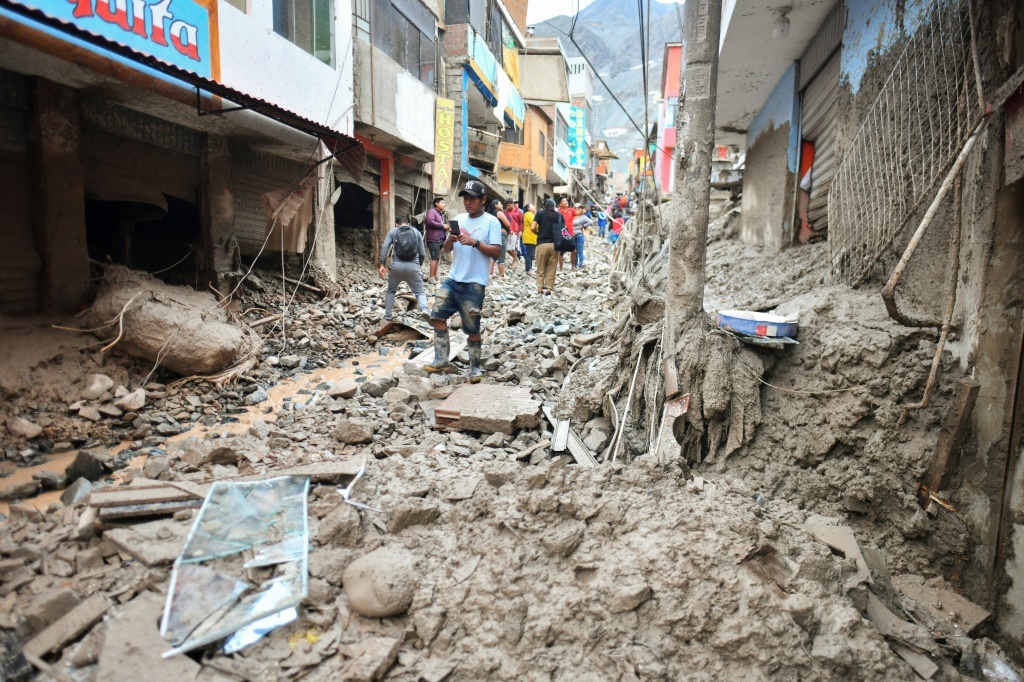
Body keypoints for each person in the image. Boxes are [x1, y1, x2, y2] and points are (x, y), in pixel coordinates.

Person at [425, 180, 503, 382]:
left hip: (474, 283)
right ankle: (441, 360)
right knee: (437, 316)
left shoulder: (491, 222)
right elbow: (446, 249)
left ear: (483, 200)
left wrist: (474, 242)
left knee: (472, 328)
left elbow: (496, 251)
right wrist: (450, 239)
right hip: (453, 279)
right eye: (465, 199)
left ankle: (475, 368)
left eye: (472, 199)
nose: (468, 202)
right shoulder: (459, 219)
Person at [378, 216, 429, 321]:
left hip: (396, 267)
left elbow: (385, 247)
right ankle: (425, 310)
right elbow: (422, 253)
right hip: (413, 266)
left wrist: (382, 264)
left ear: (396, 224)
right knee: (420, 292)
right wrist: (418, 266)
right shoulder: (416, 232)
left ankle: (388, 316)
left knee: (391, 291)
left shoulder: (393, 232)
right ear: (408, 223)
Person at [532, 198, 564, 296]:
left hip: (541, 244)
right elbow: (563, 229)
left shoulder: (539, 214)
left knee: (540, 268)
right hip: (554, 245)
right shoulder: (559, 215)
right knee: (552, 268)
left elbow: (532, 227)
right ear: (554, 206)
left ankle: (539, 290)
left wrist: (538, 233)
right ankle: (549, 291)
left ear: (544, 206)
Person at [486, 199, 512, 279]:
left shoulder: (489, 215)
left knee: (494, 255)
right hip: (501, 234)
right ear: (496, 205)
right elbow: (507, 224)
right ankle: (502, 275)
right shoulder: (499, 213)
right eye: (500, 203)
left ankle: (490, 272)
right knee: (502, 254)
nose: (502, 205)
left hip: (493, 235)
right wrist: (509, 230)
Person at [424, 197, 447, 283]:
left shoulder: (440, 214)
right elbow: (429, 221)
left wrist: (445, 227)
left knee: (437, 258)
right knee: (435, 257)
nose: (444, 204)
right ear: (436, 203)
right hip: (433, 239)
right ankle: (431, 277)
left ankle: (435, 275)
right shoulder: (431, 211)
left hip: (440, 239)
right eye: (442, 202)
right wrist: (442, 226)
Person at [557, 198, 576, 271]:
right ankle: (561, 268)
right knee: (561, 252)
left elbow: (578, 213)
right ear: (560, 204)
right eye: (564, 201)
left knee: (574, 251)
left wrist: (582, 210)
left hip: (570, 233)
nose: (566, 202)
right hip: (562, 234)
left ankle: (573, 267)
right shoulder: (558, 212)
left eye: (566, 200)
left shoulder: (571, 210)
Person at [504, 198, 523, 269]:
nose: (507, 207)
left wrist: (520, 231)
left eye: (509, 205)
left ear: (512, 204)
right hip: (508, 231)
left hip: (515, 231)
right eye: (506, 205)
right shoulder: (505, 212)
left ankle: (515, 260)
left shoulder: (519, 212)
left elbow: (521, 222)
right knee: (506, 248)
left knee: (513, 247)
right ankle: (515, 258)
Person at [572, 204, 592, 269]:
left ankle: (580, 266)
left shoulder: (583, 217)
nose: (578, 209)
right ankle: (574, 266)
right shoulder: (571, 216)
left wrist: (584, 226)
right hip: (572, 236)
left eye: (580, 208)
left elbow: (590, 222)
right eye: (577, 208)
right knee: (574, 252)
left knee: (580, 252)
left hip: (579, 236)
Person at [521, 203, 537, 274]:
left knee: (530, 253)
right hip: (530, 236)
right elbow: (534, 225)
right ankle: (528, 269)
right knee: (530, 254)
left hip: (529, 236)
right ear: (528, 208)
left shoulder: (527, 214)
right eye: (532, 206)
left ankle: (529, 268)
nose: (534, 207)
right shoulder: (529, 214)